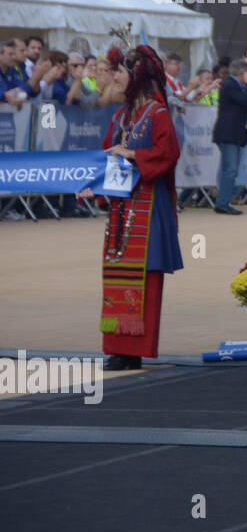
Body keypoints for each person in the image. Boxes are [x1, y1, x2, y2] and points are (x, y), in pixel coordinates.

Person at [76, 45, 183, 370]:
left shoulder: (158, 113)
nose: (113, 77)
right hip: (123, 209)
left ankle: (134, 348)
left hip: (149, 207)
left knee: (145, 276)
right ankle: (119, 346)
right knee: (117, 275)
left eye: (119, 72)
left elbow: (169, 154)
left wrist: (133, 154)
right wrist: (91, 184)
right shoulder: (121, 116)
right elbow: (107, 155)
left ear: (136, 76)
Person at [212, 59, 247, 214]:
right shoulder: (229, 84)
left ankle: (224, 201)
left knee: (232, 169)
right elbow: (243, 100)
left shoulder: (233, 85)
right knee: (231, 169)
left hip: (233, 133)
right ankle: (223, 202)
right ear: (242, 73)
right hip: (229, 132)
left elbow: (243, 105)